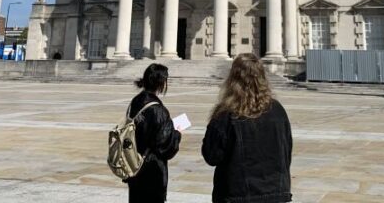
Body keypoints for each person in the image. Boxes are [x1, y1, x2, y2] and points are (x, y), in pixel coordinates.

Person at [202, 53, 293, 203]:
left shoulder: (226, 113)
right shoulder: (278, 110)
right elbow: (286, 152)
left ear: (233, 79)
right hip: (276, 194)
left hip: (237, 195)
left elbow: (211, 156)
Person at [126, 63, 181, 203]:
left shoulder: (136, 101)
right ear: (161, 83)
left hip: (134, 164)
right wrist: (176, 133)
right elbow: (166, 147)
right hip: (152, 170)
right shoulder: (158, 110)